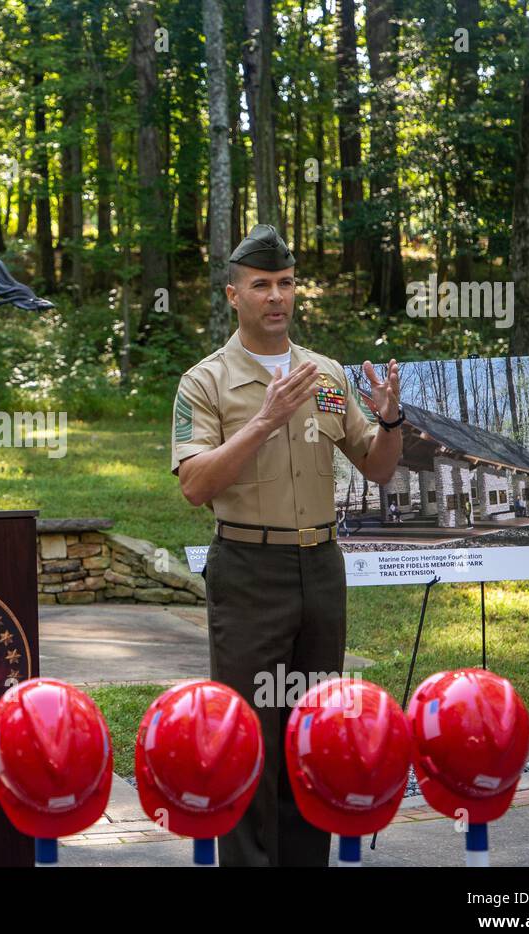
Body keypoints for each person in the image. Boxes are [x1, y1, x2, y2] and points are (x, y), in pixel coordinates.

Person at [171, 223, 403, 867]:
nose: (277, 296)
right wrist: (266, 420)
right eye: (261, 285)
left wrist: (388, 419)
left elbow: (378, 467)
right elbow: (194, 485)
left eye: (286, 283)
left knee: (313, 731)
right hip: (249, 568)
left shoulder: (325, 374)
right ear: (233, 295)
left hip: (320, 568)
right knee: (246, 735)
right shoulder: (206, 382)